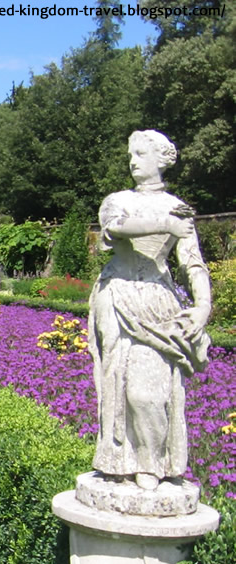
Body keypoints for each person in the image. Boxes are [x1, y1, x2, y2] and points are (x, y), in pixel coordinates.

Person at [88, 130, 212, 491]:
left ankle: (152, 460)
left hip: (156, 303)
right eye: (131, 153)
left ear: (162, 159)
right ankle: (118, 460)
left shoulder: (178, 208)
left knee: (147, 392)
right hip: (117, 295)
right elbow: (117, 228)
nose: (133, 160)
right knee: (116, 384)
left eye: (141, 153)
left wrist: (203, 307)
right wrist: (164, 224)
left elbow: (193, 264)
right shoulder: (117, 200)